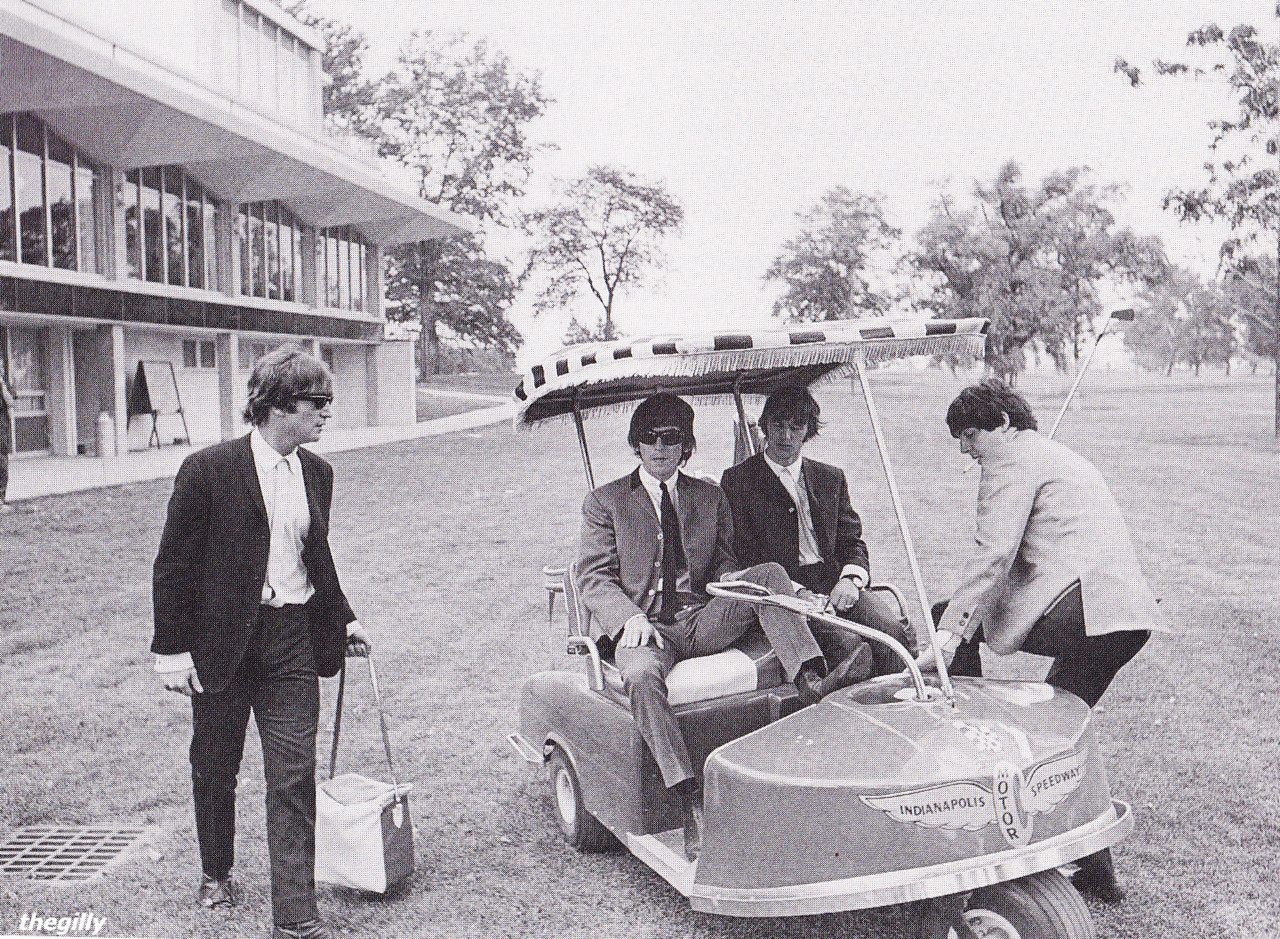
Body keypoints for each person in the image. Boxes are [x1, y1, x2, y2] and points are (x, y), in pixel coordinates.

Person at [577, 392, 860, 862]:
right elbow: (594, 576)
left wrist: (731, 580)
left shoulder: (709, 495)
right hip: (645, 625)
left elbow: (726, 563)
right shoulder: (605, 502)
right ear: (636, 444)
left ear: (686, 444)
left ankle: (811, 685)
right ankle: (688, 799)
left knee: (768, 573)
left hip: (701, 616)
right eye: (650, 439)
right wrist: (628, 619)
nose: (661, 448)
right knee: (644, 677)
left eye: (672, 438)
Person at [151, 346, 372, 939]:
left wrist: (342, 620)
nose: (326, 415)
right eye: (315, 404)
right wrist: (171, 651)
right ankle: (216, 872)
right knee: (216, 765)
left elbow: (315, 554)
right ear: (275, 407)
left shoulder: (318, 473)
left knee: (293, 775)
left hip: (292, 641)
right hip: (220, 644)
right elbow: (174, 565)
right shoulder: (207, 470)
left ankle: (296, 919)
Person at [918, 378, 1167, 903]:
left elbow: (993, 556)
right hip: (1125, 619)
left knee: (949, 617)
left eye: (968, 436)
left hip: (1087, 614)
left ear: (1002, 425)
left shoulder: (1010, 462)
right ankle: (1098, 879)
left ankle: (968, 766)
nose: (964, 450)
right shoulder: (1049, 453)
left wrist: (945, 636)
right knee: (1058, 739)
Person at [720, 385, 915, 677]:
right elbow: (744, 553)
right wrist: (797, 592)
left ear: (809, 430)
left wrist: (850, 579)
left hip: (837, 584)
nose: (786, 437)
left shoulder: (830, 477)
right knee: (850, 647)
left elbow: (852, 540)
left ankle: (897, 710)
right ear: (764, 426)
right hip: (785, 593)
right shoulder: (739, 480)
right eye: (778, 425)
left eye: (796, 427)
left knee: (891, 633)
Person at [0, 369, 15, 513]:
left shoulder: (6, 385)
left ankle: (1, 499)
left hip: (1, 431)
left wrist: (2, 385)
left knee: (2, 464)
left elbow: (11, 402)